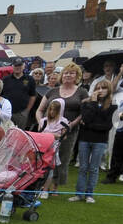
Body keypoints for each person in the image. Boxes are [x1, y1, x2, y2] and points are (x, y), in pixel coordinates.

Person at [35, 63, 87, 196]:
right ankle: (41, 184)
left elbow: (84, 112)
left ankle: (55, 186)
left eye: (71, 73)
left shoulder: (82, 92)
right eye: (66, 72)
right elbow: (40, 110)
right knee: (44, 157)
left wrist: (71, 125)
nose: (68, 75)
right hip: (48, 131)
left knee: (62, 158)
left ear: (77, 76)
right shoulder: (52, 91)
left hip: (68, 131)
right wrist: (41, 123)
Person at [71, 80, 115, 203]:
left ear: (109, 90)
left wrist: (90, 124)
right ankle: (79, 194)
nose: (100, 90)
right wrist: (94, 103)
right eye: (98, 88)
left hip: (100, 141)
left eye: (104, 88)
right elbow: (86, 118)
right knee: (83, 167)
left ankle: (89, 194)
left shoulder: (112, 106)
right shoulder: (86, 104)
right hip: (85, 139)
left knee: (94, 168)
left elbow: (107, 125)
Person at [1, 60, 37, 130]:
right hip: (7, 113)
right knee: (6, 132)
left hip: (21, 113)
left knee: (20, 134)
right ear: (12, 66)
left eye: (19, 65)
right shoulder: (5, 79)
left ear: (24, 66)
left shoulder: (30, 79)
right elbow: (0, 95)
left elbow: (33, 96)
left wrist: (27, 110)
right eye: (15, 65)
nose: (17, 67)